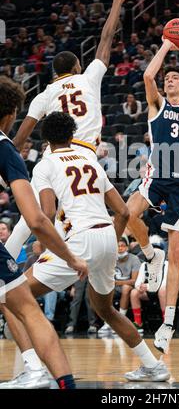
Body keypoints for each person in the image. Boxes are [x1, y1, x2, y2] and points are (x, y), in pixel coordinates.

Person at [1, 111, 170, 385]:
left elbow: (45, 213)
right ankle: (154, 366)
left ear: (45, 139)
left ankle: (33, 370)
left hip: (79, 241)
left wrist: (45, 244)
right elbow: (124, 212)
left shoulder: (45, 165)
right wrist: (112, 243)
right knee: (106, 310)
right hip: (106, 236)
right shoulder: (90, 160)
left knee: (9, 295)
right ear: (72, 136)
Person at [4, 0, 136, 266]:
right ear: (77, 66)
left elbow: (19, 138)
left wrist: (6, 164)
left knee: (34, 214)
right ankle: (122, 259)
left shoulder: (46, 92)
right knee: (108, 212)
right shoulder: (88, 78)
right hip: (84, 157)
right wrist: (116, 3)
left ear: (54, 74)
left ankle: (10, 262)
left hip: (53, 158)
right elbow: (106, 37)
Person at [0, 77, 88, 389]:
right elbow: (37, 218)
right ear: (11, 115)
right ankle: (61, 382)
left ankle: (34, 370)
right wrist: (70, 257)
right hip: (84, 236)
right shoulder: (6, 149)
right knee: (26, 307)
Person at [126, 22, 179, 353]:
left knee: (176, 253)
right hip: (157, 177)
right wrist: (164, 45)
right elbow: (147, 77)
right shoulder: (156, 105)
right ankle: (148, 253)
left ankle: (168, 322)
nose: (168, 80)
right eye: (167, 79)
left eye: (175, 78)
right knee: (126, 213)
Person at [98, 235, 141, 335]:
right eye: (118, 246)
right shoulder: (111, 259)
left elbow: (134, 281)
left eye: (123, 246)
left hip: (129, 286)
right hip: (113, 286)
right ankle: (107, 322)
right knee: (105, 288)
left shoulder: (134, 259)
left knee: (126, 288)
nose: (120, 248)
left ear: (127, 247)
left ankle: (120, 321)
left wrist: (118, 283)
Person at [131, 259, 168, 335]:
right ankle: (138, 323)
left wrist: (148, 286)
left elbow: (164, 282)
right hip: (149, 291)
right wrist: (140, 287)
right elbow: (138, 282)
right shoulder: (144, 264)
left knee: (162, 290)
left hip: (165, 290)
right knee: (134, 292)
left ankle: (166, 324)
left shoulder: (166, 264)